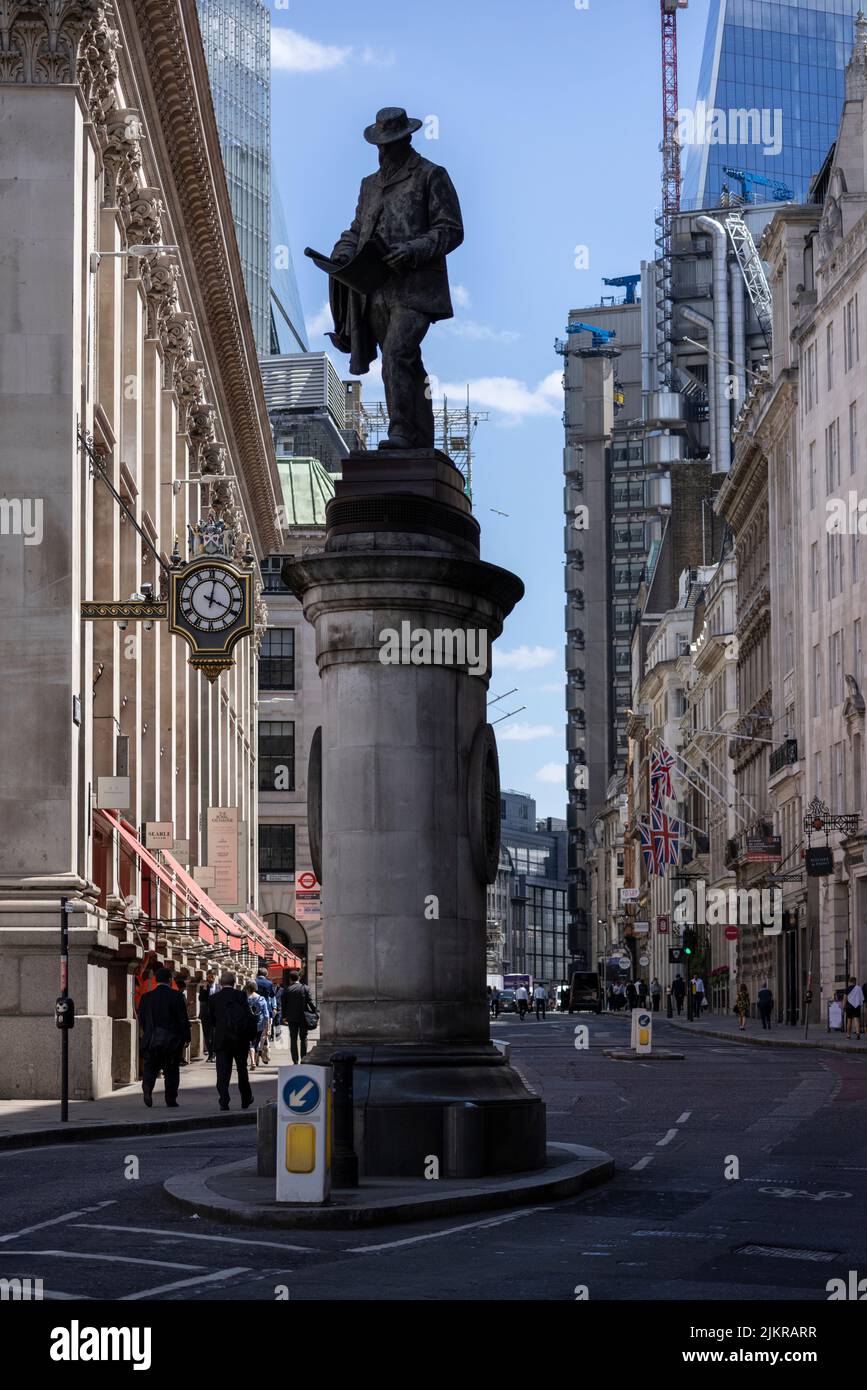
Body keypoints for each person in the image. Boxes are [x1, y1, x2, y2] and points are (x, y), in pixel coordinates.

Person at [325, 107, 464, 451]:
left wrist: (413, 250)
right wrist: (343, 251)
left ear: (406, 140)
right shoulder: (369, 185)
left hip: (416, 289)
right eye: (379, 145)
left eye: (389, 144)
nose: (382, 151)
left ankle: (400, 430)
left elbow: (451, 230)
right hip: (376, 289)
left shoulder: (431, 175)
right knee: (406, 363)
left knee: (397, 353)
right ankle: (421, 435)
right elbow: (358, 229)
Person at [138, 967, 191, 1108]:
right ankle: (171, 1099)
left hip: (152, 1038)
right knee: (172, 1069)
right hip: (172, 1040)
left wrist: (148, 1032)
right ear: (170, 980)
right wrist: (186, 1037)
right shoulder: (177, 996)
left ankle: (148, 1086)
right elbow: (182, 1019)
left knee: (151, 1065)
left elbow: (142, 1018)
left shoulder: (146, 997)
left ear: (156, 980)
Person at [210, 970, 257, 1111]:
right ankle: (245, 1099)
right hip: (239, 1039)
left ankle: (224, 1100)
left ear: (220, 982)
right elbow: (247, 1016)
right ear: (234, 982)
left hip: (222, 1040)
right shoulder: (240, 995)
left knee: (223, 1072)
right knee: (242, 1070)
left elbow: (212, 1021)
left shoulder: (214, 999)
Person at [283, 969, 318, 1064]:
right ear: (299, 977)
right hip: (303, 1017)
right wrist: (315, 1012)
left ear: (290, 979)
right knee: (304, 1038)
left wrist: (284, 1017)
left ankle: (295, 1060)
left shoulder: (287, 990)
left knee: (293, 1039)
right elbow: (310, 1002)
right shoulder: (305, 988)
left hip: (291, 1018)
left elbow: (283, 1005)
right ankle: (303, 1058)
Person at [245, 982, 270, 1068]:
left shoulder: (244, 999)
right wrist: (267, 1027)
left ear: (247, 988)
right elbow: (266, 1015)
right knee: (255, 1043)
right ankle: (254, 1060)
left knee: (249, 1043)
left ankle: (252, 1061)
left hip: (247, 1025)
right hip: (259, 1024)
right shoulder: (261, 999)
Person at [198, 972, 216, 1062]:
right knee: (207, 1035)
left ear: (215, 977)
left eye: (212, 977)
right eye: (209, 977)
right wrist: (204, 988)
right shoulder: (203, 987)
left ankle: (214, 1053)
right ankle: (211, 1054)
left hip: (216, 1015)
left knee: (214, 1034)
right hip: (206, 1014)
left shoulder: (218, 987)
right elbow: (201, 999)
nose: (210, 979)